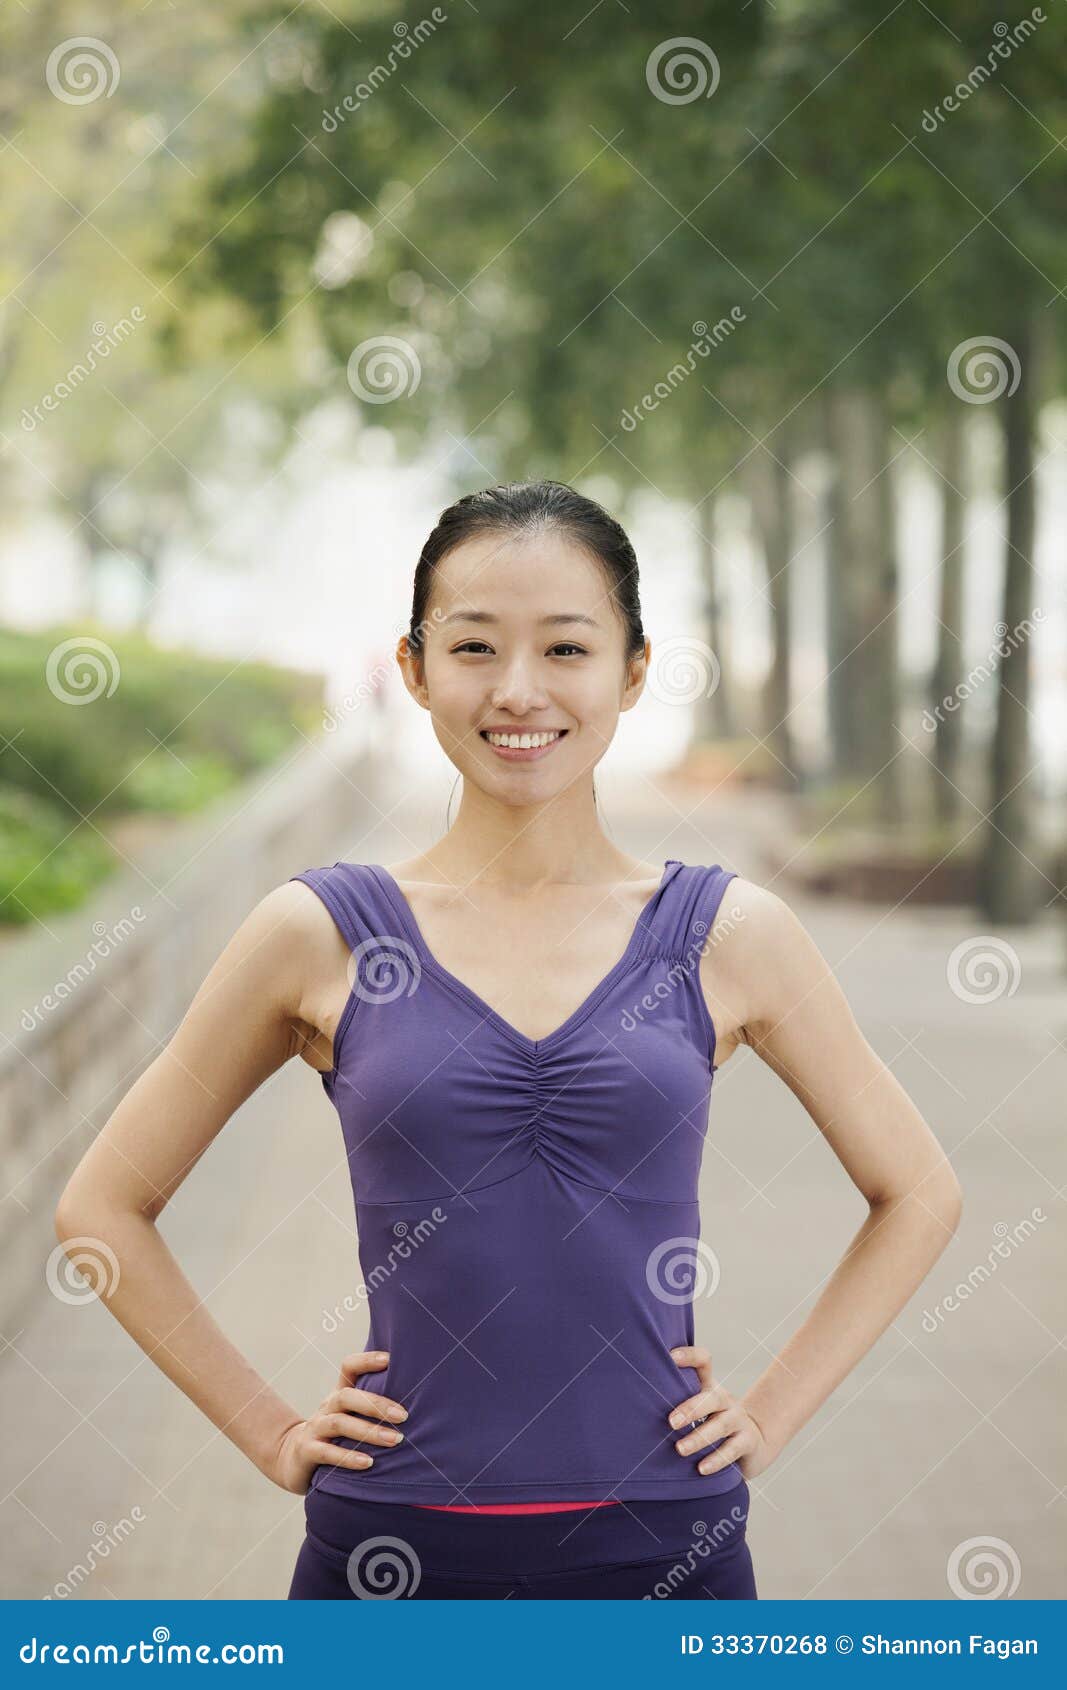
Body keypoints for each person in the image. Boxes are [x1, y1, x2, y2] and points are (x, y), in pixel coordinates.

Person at [54, 480, 963, 1601]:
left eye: (566, 648)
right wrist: (271, 1431)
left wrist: (768, 1414)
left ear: (633, 672)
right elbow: (99, 1208)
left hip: (663, 1550)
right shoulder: (319, 933)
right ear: (413, 668)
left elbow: (917, 1190)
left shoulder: (726, 935)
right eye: (474, 646)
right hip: (388, 1559)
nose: (518, 690)